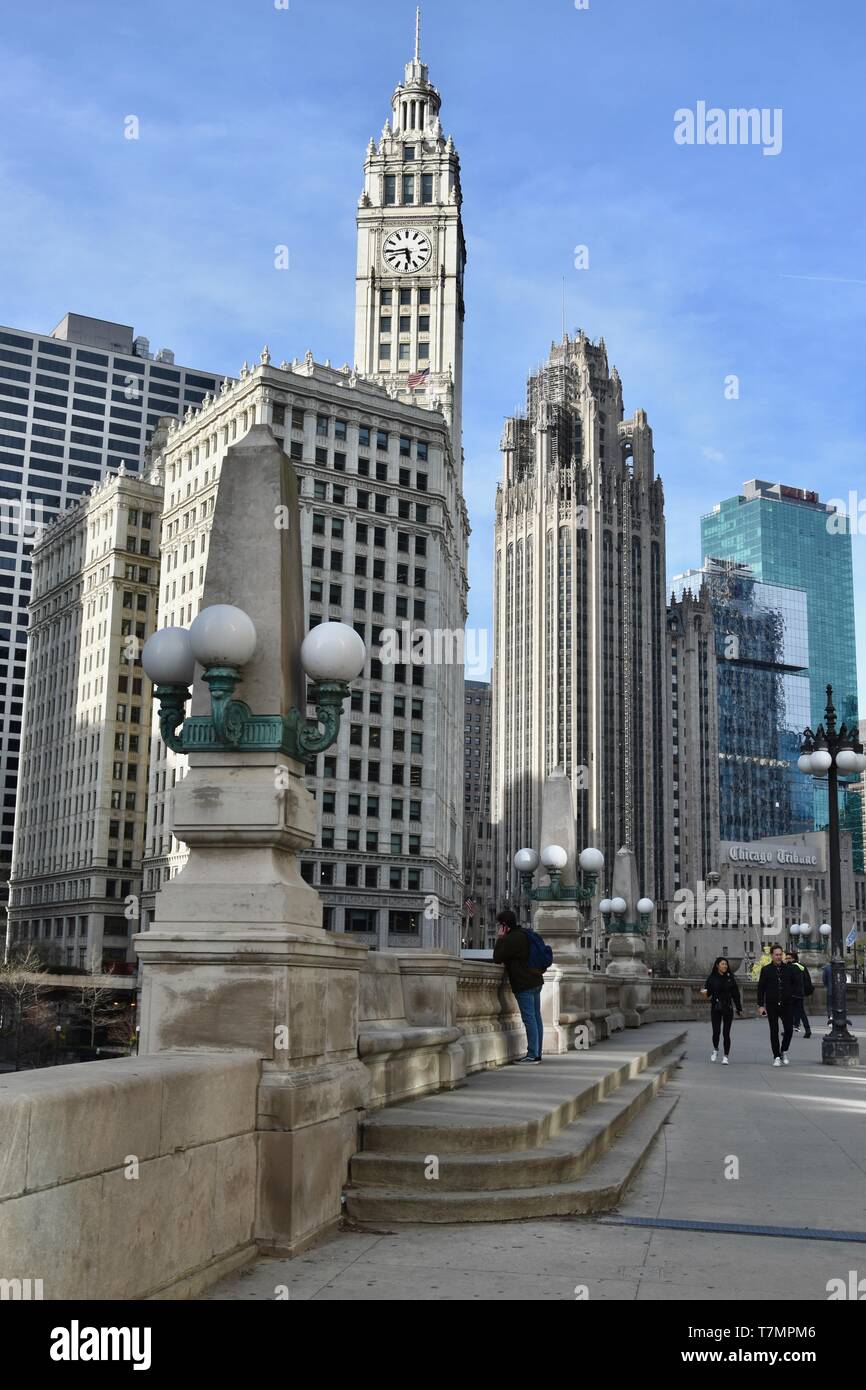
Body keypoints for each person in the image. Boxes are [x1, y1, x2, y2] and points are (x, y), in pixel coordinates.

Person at [493, 908, 545, 1063]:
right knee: (536, 1018)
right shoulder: (525, 934)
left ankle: (532, 1055)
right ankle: (537, 1052)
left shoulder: (511, 939)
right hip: (536, 980)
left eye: (500, 926)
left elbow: (497, 958)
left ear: (504, 926)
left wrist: (500, 939)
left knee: (529, 1018)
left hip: (524, 984)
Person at [757, 944, 798, 1065]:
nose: (779, 957)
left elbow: (795, 984)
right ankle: (776, 1056)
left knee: (789, 1030)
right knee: (774, 1031)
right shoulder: (766, 970)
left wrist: (790, 994)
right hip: (772, 1004)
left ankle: (783, 1050)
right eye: (776, 955)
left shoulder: (789, 969)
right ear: (772, 955)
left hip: (787, 1003)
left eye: (780, 954)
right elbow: (761, 989)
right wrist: (760, 1005)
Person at [702, 957, 742, 1064]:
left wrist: (739, 1008)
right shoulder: (711, 978)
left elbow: (736, 994)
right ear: (717, 965)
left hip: (727, 1007)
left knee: (726, 1033)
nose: (725, 966)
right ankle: (715, 1049)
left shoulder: (730, 978)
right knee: (716, 1032)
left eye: (726, 964)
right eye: (722, 964)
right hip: (716, 1008)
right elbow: (707, 994)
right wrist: (704, 993)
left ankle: (726, 1056)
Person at [785, 949, 812, 1038]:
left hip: (791, 994)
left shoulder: (788, 967)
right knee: (802, 1013)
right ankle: (808, 1030)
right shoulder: (802, 966)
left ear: (792, 958)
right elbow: (807, 979)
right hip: (800, 993)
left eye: (788, 958)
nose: (786, 959)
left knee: (788, 1013)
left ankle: (787, 1031)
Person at [822, 959, 834, 1027]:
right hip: (839, 990)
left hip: (830, 989)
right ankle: (836, 1018)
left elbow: (824, 979)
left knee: (829, 1005)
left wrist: (827, 985)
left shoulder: (827, 968)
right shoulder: (839, 967)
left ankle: (830, 1018)